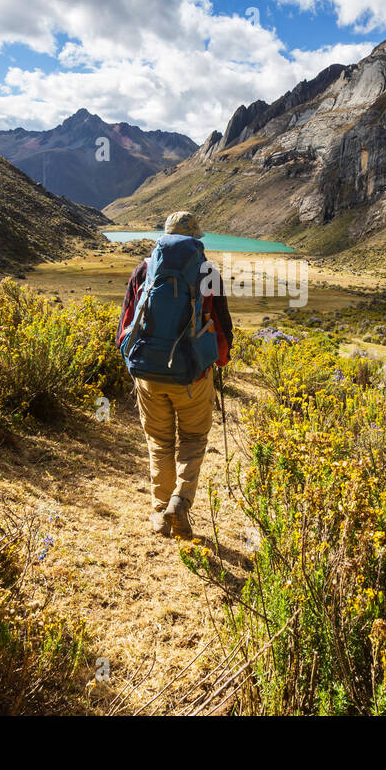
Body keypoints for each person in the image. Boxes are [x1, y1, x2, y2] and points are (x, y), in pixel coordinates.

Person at [117, 211, 232, 540]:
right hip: (192, 375)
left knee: (159, 442)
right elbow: (222, 326)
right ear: (196, 239)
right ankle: (180, 501)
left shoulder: (144, 269)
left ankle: (159, 512)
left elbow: (126, 324)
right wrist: (219, 361)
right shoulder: (208, 272)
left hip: (148, 375)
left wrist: (134, 364)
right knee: (193, 440)